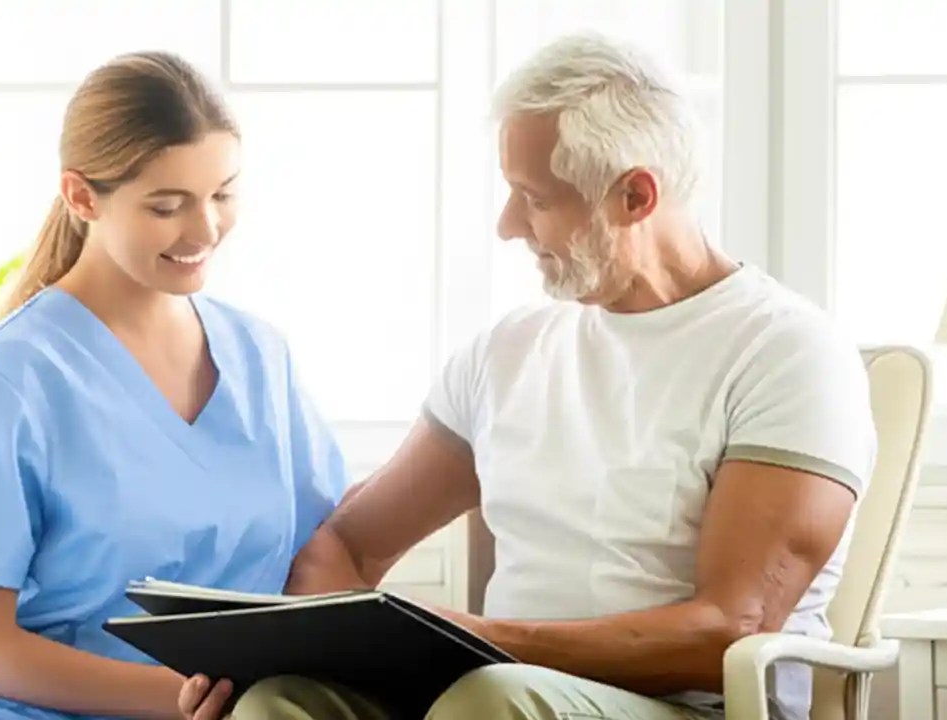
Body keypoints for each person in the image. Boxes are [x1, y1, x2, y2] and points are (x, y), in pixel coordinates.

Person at [181, 32, 876, 720]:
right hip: (493, 689)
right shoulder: (506, 354)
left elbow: (728, 630)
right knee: (279, 702)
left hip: (688, 707)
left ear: (635, 196)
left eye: (535, 198)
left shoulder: (786, 354)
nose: (508, 225)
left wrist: (481, 643)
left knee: (489, 699)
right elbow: (348, 547)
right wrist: (285, 654)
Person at [0, 51, 348, 720]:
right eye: (167, 206)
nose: (206, 229)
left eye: (223, 194)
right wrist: (192, 703)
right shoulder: (9, 377)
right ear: (82, 197)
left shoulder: (260, 357)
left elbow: (322, 557)